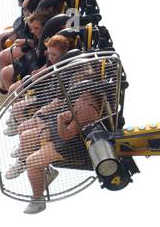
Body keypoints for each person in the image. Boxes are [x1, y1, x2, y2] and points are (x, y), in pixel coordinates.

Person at [22, 84, 106, 215]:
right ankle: (46, 173)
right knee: (26, 137)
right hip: (58, 137)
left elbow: (66, 135)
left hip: (69, 147)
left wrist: (60, 120)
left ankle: (38, 199)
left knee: (31, 162)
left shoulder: (87, 109)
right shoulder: (81, 98)